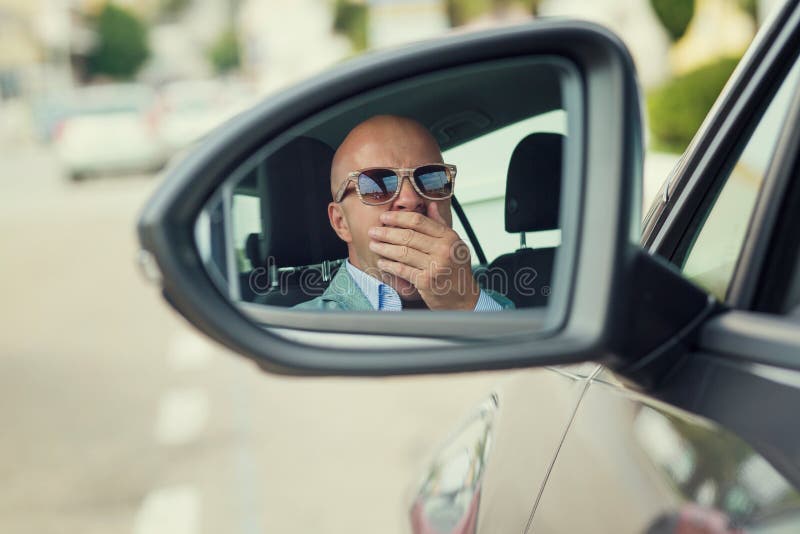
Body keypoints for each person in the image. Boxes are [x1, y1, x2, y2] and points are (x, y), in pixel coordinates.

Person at [295, 115, 513, 311]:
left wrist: (465, 306)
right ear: (341, 222)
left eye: (431, 179)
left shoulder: (492, 307)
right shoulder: (296, 332)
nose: (410, 199)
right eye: (377, 184)